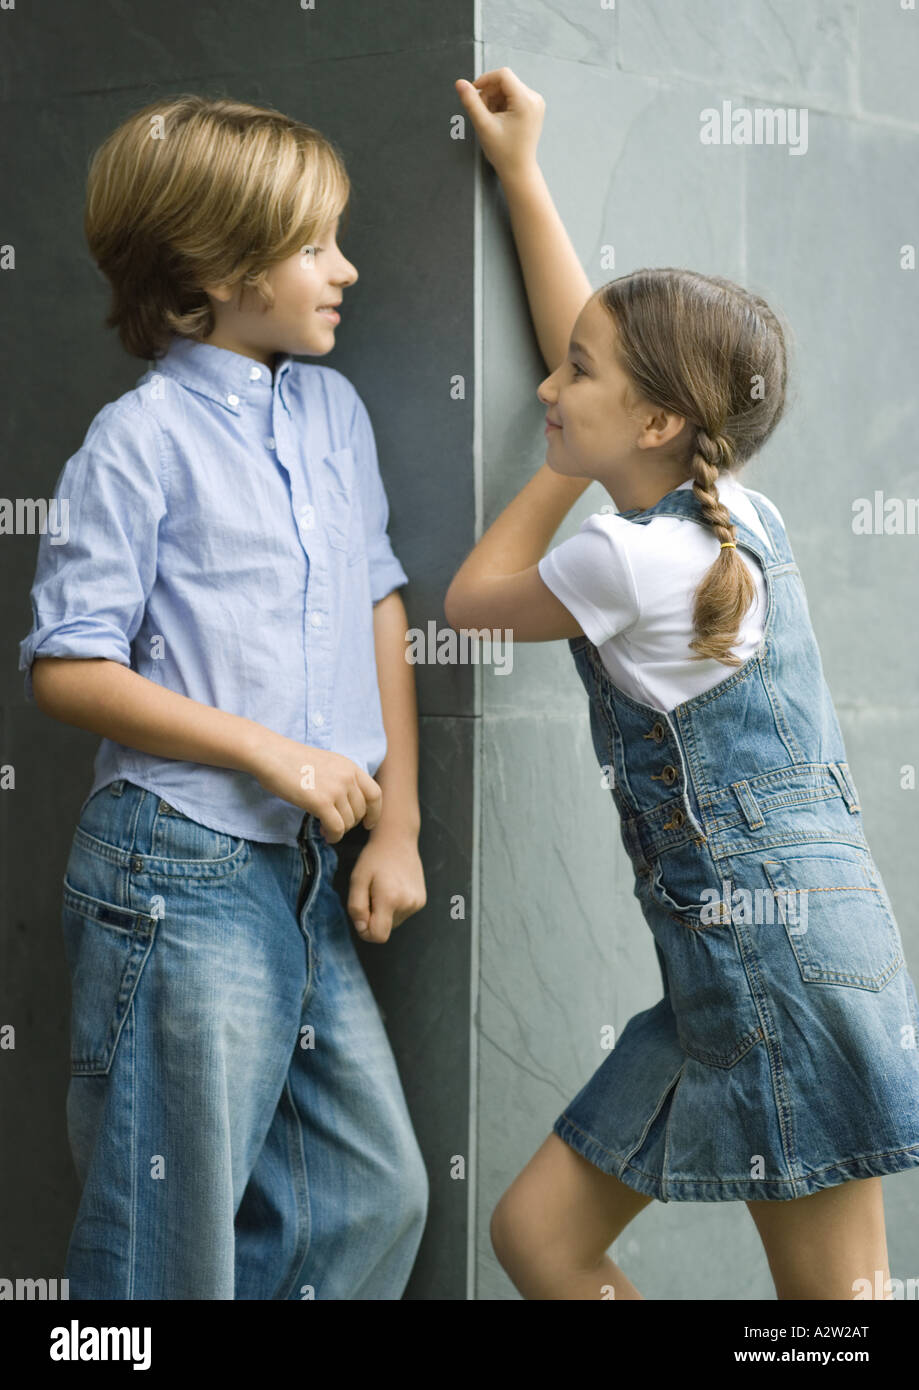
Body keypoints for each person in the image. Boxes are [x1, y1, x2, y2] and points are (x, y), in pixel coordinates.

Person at [448, 67, 919, 1301]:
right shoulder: (732, 506)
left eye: (574, 378)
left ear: (658, 420)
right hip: (773, 960)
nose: (549, 386)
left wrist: (562, 459)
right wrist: (522, 174)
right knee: (537, 1238)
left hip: (776, 975)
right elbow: (607, 349)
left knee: (834, 1316)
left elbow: (470, 598)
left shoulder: (624, 556)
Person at [18, 94, 429, 1299]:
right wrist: (271, 751)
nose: (345, 268)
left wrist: (396, 820)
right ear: (212, 265)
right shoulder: (135, 441)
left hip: (303, 876)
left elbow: (377, 605)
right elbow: (67, 667)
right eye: (315, 245)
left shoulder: (333, 412)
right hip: (175, 875)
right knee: (167, 1245)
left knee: (370, 1196)